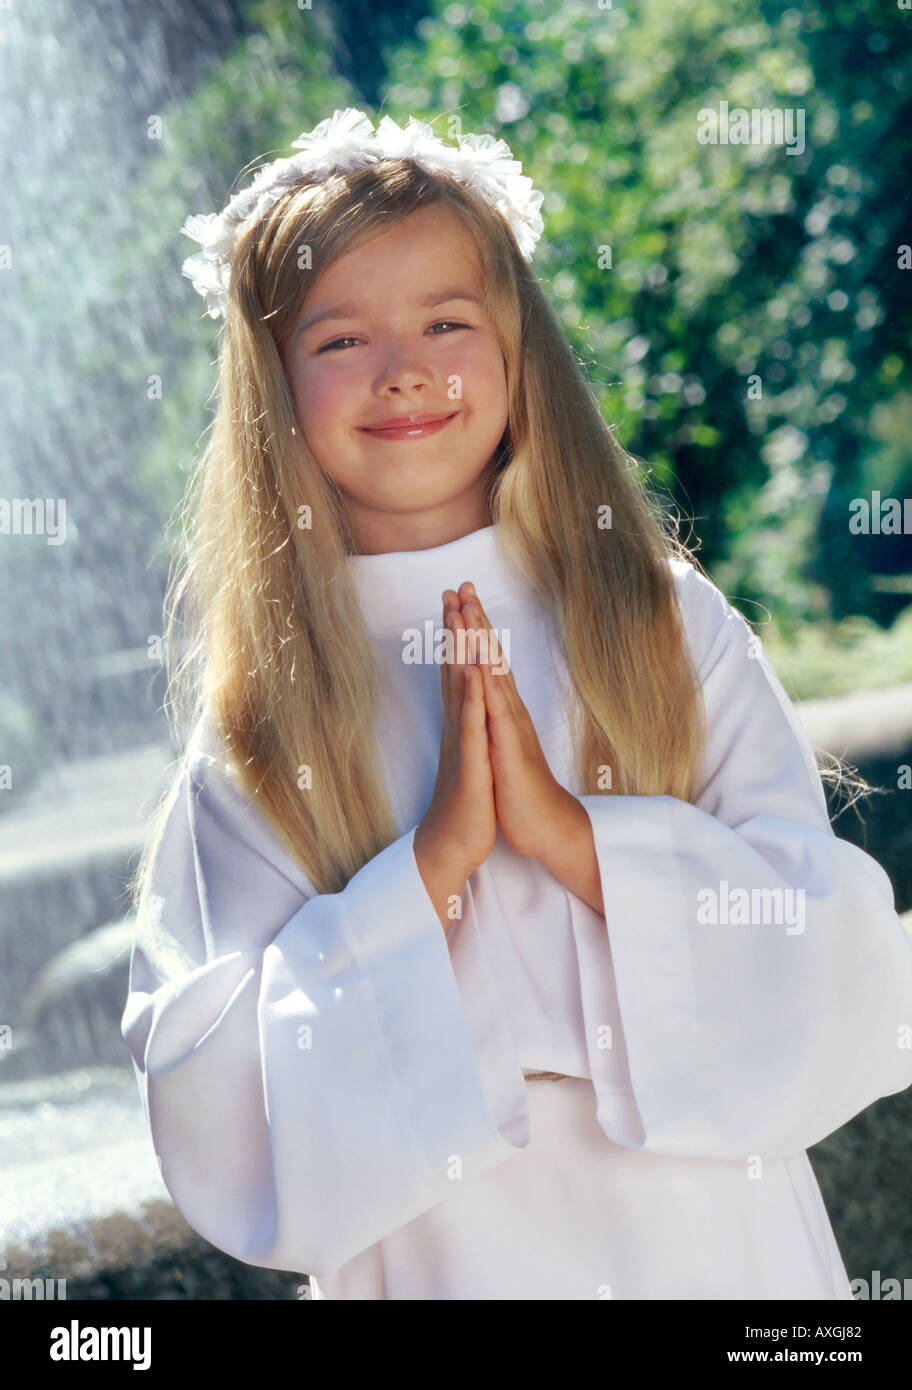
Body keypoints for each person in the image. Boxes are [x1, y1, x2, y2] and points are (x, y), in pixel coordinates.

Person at [121, 109, 912, 1300]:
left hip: (712, 1240)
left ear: (520, 346)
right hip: (445, 1253)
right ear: (271, 382)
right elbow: (210, 1083)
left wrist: (573, 837)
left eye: (448, 321)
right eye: (341, 338)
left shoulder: (659, 623)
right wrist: (430, 868)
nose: (405, 369)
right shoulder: (259, 730)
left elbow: (829, 944)